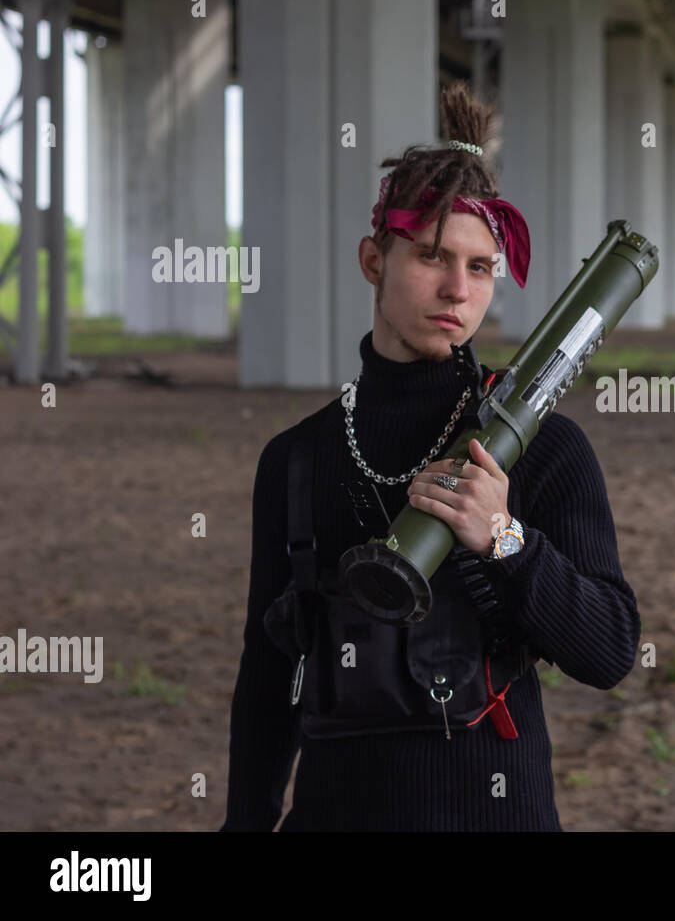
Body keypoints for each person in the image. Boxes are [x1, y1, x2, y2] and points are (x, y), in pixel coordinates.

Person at [220, 81, 640, 831]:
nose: (456, 289)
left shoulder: (544, 450)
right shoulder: (296, 460)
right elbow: (267, 676)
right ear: (373, 259)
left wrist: (507, 541)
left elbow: (609, 651)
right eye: (431, 256)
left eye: (481, 268)